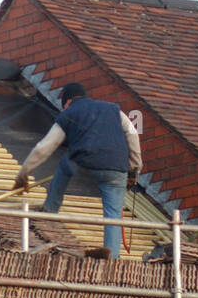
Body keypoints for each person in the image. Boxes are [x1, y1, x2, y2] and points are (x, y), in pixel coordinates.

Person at [13, 82, 142, 258]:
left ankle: (50, 209)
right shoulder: (114, 110)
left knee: (65, 163)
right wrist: (134, 169)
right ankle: (112, 256)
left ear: (68, 102)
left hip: (84, 163)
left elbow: (44, 147)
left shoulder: (69, 113)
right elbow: (133, 134)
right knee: (113, 216)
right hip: (116, 169)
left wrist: (23, 174)